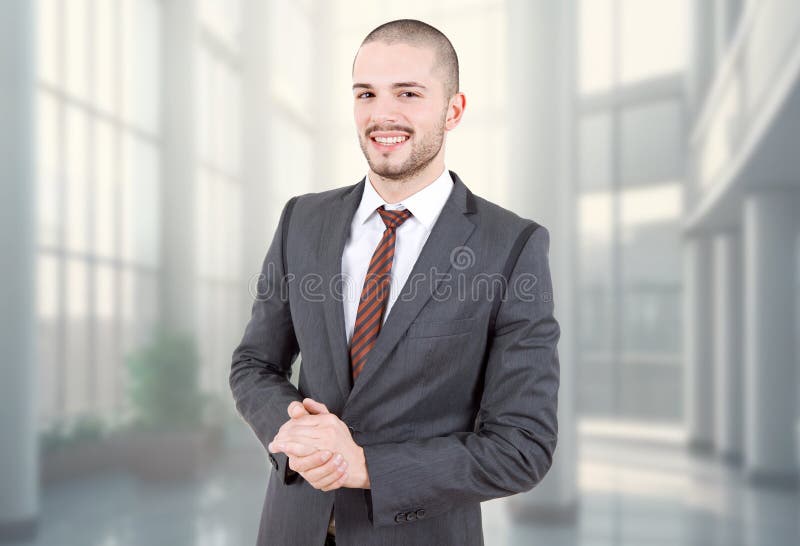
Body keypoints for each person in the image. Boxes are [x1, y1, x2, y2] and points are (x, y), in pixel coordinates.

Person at [229, 18, 560, 546]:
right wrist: (296, 430)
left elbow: (523, 447)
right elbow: (253, 364)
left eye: (408, 93)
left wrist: (365, 467)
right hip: (291, 529)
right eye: (366, 93)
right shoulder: (302, 220)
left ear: (453, 110)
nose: (382, 114)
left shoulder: (512, 247)